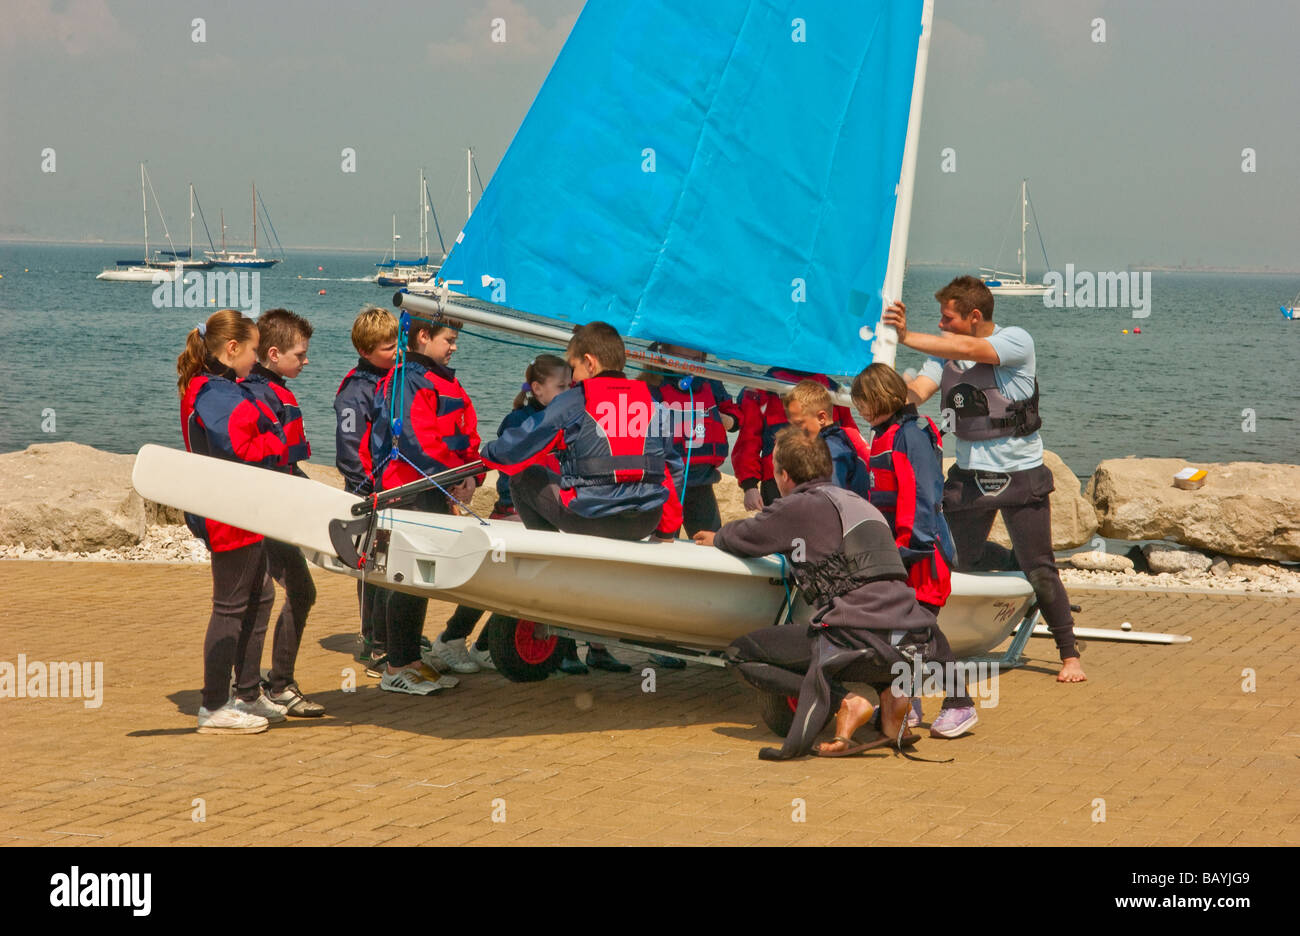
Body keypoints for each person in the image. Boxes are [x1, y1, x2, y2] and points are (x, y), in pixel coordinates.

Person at [883, 275, 1085, 682]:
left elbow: (970, 348)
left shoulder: (1016, 341)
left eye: (948, 318)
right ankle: (1001, 574)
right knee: (952, 559)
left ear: (975, 316)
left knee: (1041, 567)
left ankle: (1069, 656)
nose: (941, 325)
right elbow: (917, 393)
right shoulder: (943, 355)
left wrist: (907, 336)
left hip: (1020, 475)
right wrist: (878, 387)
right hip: (971, 478)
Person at [694, 429, 938, 759]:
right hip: (909, 642)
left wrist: (718, 537)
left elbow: (746, 535)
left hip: (855, 640)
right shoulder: (858, 503)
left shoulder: (799, 505)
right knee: (857, 623)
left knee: (741, 653)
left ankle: (846, 703)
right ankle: (893, 708)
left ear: (783, 475)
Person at [479, 322, 685, 673]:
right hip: (643, 522)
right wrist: (666, 532)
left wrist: (487, 453)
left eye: (573, 368)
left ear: (589, 363)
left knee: (525, 476)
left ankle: (551, 565)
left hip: (593, 520)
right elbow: (671, 469)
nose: (572, 377)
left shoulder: (578, 399)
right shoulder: (652, 399)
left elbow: (522, 444)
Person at [177, 309, 290, 734]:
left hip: (241, 509)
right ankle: (213, 706)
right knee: (229, 607)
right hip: (227, 513)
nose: (256, 360)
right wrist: (280, 438)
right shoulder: (214, 393)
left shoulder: (217, 386)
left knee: (259, 598)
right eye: (254, 351)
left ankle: (245, 691)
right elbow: (239, 446)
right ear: (231, 349)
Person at [852, 363, 976, 737]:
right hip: (898, 552)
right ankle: (907, 705)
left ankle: (961, 704)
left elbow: (922, 495)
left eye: (865, 403)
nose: (861, 411)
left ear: (883, 398)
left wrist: (911, 548)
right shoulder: (884, 434)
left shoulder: (911, 437)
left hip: (923, 554)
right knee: (899, 631)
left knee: (921, 631)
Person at [428, 354, 571, 674]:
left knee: (520, 588)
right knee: (496, 585)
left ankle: (485, 646)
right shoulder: (522, 420)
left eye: (571, 385)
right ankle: (450, 639)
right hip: (513, 512)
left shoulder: (562, 418)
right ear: (537, 388)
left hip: (545, 515)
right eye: (561, 386)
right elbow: (512, 464)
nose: (568, 391)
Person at [367, 313, 481, 695]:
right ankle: (396, 666)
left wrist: (472, 475)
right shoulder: (407, 381)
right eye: (448, 339)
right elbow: (419, 442)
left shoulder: (442, 380)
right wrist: (456, 479)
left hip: (433, 488)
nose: (454, 346)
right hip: (410, 490)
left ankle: (411, 659)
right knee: (406, 579)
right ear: (422, 336)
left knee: (422, 581)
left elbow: (464, 434)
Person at [239, 308, 325, 717]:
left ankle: (263, 683)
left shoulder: (265, 390)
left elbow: (286, 465)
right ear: (273, 354)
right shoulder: (262, 396)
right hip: (264, 514)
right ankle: (274, 686)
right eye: (300, 355)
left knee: (267, 595)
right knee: (292, 592)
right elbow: (267, 465)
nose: (306, 362)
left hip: (273, 508)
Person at [334, 306, 399, 673]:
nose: (396, 352)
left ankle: (389, 632)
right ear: (366, 351)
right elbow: (349, 445)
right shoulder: (355, 391)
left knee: (391, 563)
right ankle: (374, 642)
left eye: (398, 344)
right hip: (367, 490)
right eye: (388, 348)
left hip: (393, 487)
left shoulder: (393, 380)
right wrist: (366, 488)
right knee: (372, 566)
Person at [732, 369, 858, 510]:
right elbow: (748, 440)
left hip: (823, 477)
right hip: (778, 480)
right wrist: (749, 486)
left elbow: (851, 438)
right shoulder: (762, 389)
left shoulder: (833, 391)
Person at [782, 379, 872, 499]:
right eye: (791, 425)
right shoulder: (841, 439)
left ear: (822, 418)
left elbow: (831, 499)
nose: (794, 430)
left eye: (799, 423)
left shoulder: (831, 452)